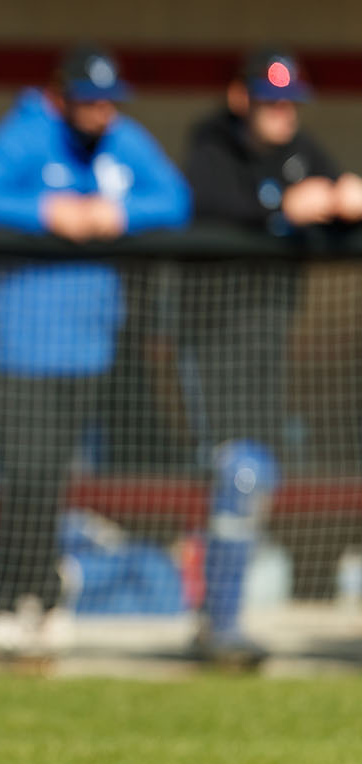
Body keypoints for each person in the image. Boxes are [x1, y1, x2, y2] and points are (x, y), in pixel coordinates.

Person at [0, 45, 191, 658]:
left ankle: (40, 597)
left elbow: (175, 200)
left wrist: (118, 213)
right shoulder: (29, 132)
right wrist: (46, 211)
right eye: (87, 100)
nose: (99, 112)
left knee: (52, 479)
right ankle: (8, 599)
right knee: (24, 474)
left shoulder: (119, 139)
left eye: (107, 101)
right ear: (60, 95)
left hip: (86, 345)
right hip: (17, 344)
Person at [181, 49, 362, 664]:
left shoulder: (300, 148)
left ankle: (220, 618)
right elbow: (203, 209)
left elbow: (335, 197)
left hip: (269, 341)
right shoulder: (210, 146)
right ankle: (219, 622)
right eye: (269, 101)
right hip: (213, 340)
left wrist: (343, 197)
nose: (282, 113)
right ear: (242, 99)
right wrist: (281, 210)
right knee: (239, 472)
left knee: (257, 477)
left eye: (289, 102)